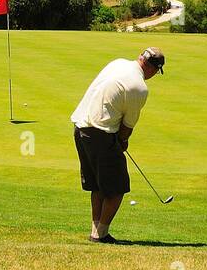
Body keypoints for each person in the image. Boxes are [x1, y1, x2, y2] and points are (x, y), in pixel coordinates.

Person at [70, 47, 165, 244]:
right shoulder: (139, 87)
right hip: (100, 133)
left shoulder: (118, 62)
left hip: (80, 128)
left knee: (98, 185)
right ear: (154, 70)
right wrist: (122, 142)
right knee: (117, 187)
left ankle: (96, 231)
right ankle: (101, 234)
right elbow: (127, 127)